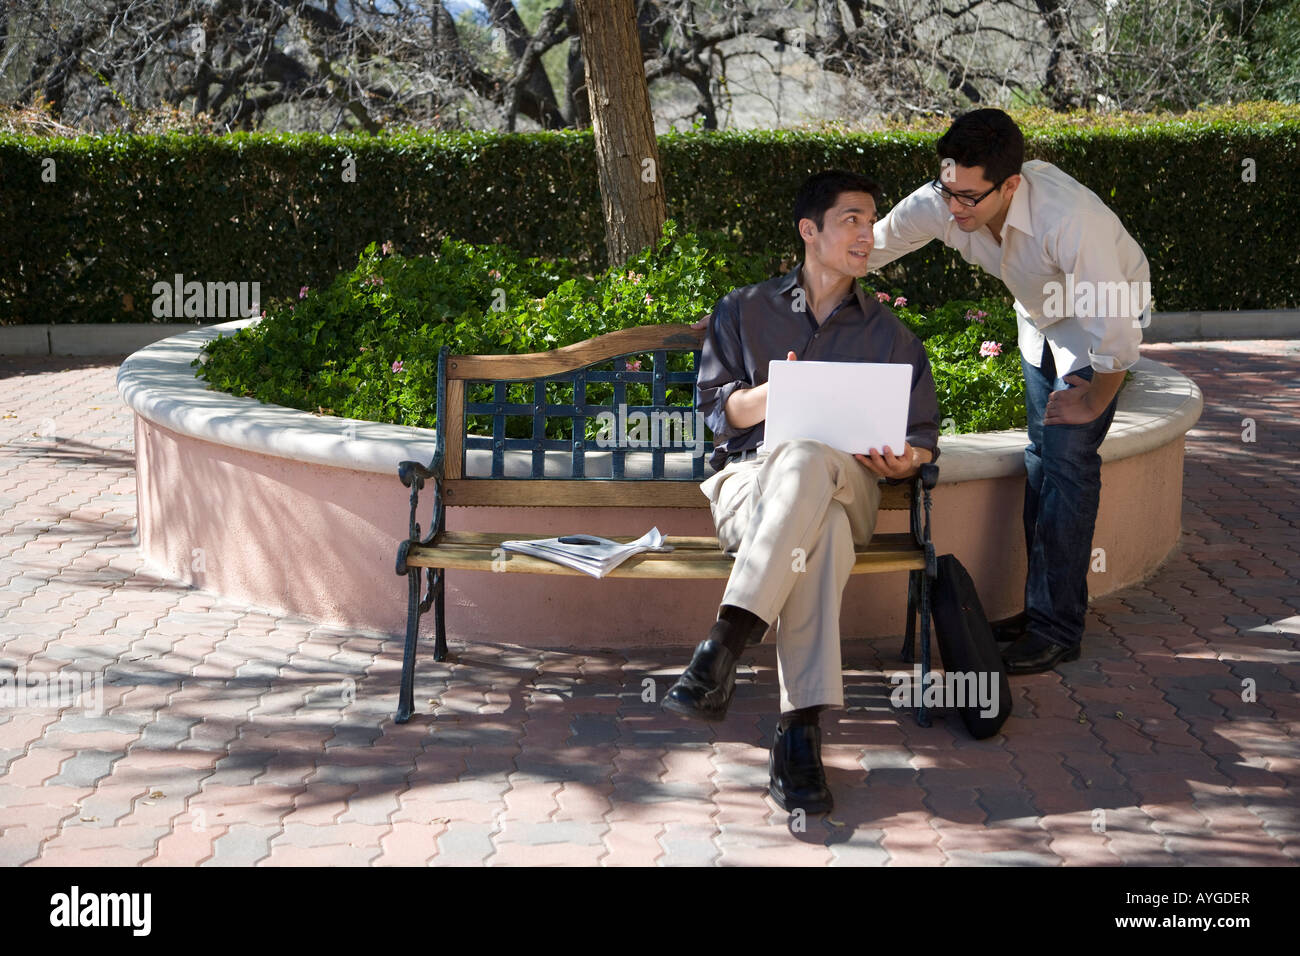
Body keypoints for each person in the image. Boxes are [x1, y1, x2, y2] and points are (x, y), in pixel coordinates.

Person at [661, 170, 941, 814]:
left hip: (853, 484)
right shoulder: (743, 309)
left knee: (815, 461)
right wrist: (778, 392)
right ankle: (799, 736)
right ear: (808, 231)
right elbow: (717, 412)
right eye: (852, 220)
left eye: (871, 221)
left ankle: (725, 646)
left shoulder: (891, 335)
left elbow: (924, 437)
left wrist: (906, 462)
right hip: (750, 485)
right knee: (817, 532)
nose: (867, 234)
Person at [867, 108, 1149, 675]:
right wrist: (773, 302)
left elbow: (1116, 331)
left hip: (1099, 322)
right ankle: (1037, 611)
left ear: (1011, 184)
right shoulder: (943, 198)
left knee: (1069, 460)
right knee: (1041, 460)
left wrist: (1093, 398)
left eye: (969, 197)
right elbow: (864, 250)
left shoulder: (1068, 220)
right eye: (947, 189)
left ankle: (1056, 629)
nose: (953, 208)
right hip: (1039, 320)